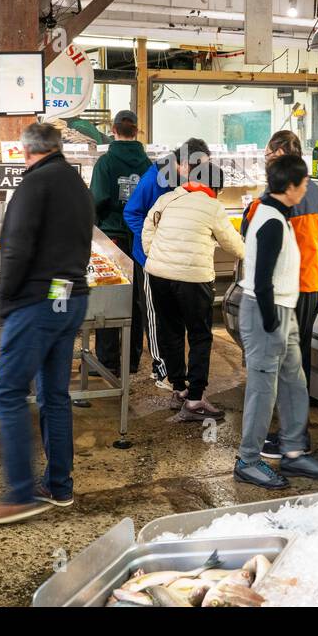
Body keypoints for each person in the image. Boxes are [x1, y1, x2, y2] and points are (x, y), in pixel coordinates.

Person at [0, 122, 93, 525]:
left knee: (5, 392)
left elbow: (16, 247)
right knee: (55, 395)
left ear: (25, 151)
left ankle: (20, 493)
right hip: (69, 297)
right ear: (56, 146)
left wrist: (6, 301)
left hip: (37, 302)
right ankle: (59, 485)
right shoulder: (76, 185)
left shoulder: (33, 185)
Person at [234, 154, 318, 489]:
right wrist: (271, 325)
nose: (306, 188)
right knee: (263, 390)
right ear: (290, 187)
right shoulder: (272, 221)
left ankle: (293, 452)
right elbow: (261, 280)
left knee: (294, 380)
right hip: (267, 311)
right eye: (303, 183)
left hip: (283, 310)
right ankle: (248, 460)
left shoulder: (277, 212)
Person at [142, 146, 243, 422]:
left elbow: (148, 228)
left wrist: (156, 255)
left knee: (171, 331)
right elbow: (232, 243)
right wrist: (254, 255)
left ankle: (179, 389)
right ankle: (196, 398)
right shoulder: (212, 206)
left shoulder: (168, 198)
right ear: (215, 187)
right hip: (192, 280)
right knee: (199, 335)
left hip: (158, 275)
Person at [124, 138, 206, 391]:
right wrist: (154, 239)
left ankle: (173, 369)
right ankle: (161, 370)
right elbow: (132, 212)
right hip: (151, 258)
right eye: (194, 169)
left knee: (173, 318)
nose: (199, 175)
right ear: (180, 164)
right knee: (155, 316)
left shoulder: (190, 181)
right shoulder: (153, 180)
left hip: (176, 257)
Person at [89, 110, 151, 375]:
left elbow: (97, 200)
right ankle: (132, 359)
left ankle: (108, 360)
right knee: (136, 299)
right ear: (136, 131)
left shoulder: (106, 163)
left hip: (112, 238)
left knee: (109, 296)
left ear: (113, 130)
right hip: (139, 238)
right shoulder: (149, 165)